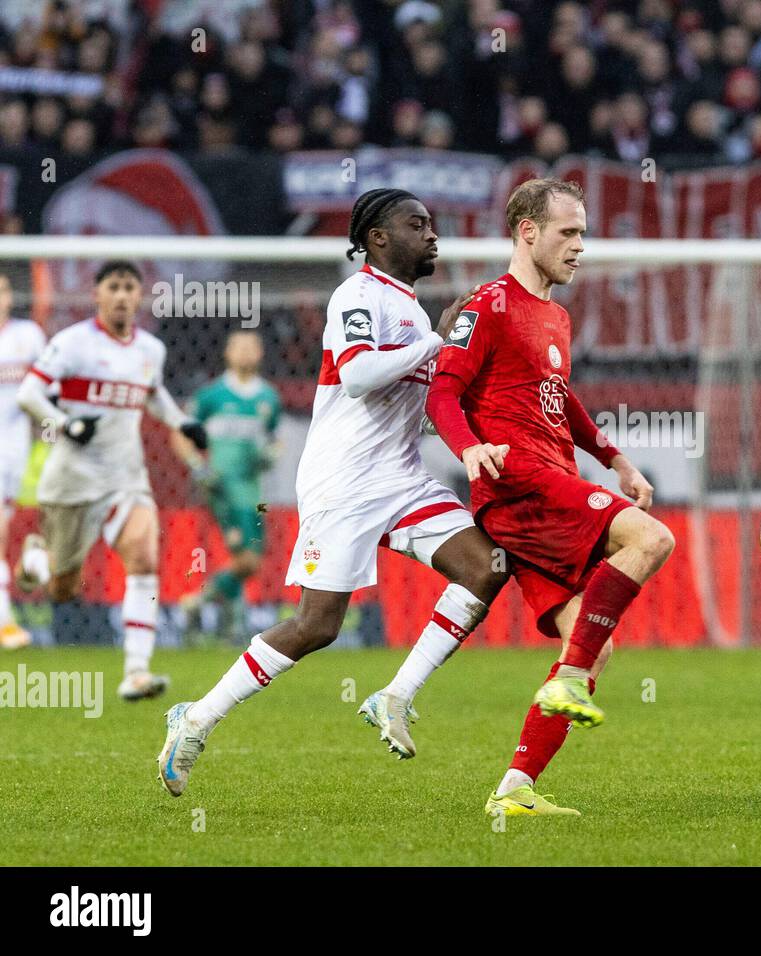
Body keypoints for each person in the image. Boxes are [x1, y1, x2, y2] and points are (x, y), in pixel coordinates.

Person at [157, 188, 511, 797]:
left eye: (431, 225)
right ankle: (194, 718)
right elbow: (355, 375)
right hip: (343, 483)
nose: (432, 235)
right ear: (378, 237)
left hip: (401, 479)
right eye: (416, 224)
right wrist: (436, 344)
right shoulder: (358, 294)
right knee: (317, 625)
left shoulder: (416, 313)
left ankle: (395, 696)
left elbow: (416, 397)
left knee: (487, 567)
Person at [426, 178, 674, 816]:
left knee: (594, 642)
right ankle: (567, 682)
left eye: (583, 233)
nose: (580, 246)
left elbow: (560, 400)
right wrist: (469, 449)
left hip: (552, 476)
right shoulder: (488, 305)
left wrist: (614, 457)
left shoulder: (555, 315)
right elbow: (442, 395)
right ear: (527, 232)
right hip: (520, 482)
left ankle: (514, 790)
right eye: (568, 232)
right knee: (653, 538)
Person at [14, 261, 208, 698]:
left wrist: (182, 422)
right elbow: (29, 393)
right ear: (97, 295)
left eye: (129, 288)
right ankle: (35, 560)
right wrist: (65, 424)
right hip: (71, 480)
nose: (122, 295)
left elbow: (153, 392)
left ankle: (136, 671)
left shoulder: (150, 350)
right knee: (63, 588)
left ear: (139, 296)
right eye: (113, 287)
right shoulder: (72, 343)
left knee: (143, 559)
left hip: (126, 477)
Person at [172, 331, 281, 641]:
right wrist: (198, 466)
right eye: (239, 346)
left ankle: (219, 620)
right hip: (221, 489)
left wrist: (271, 454)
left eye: (251, 346)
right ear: (228, 353)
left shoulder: (268, 399)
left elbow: (273, 442)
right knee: (247, 559)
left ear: (260, 353)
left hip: (255, 493)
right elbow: (180, 433)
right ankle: (211, 611)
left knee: (247, 560)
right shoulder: (212, 396)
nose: (245, 352)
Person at [0, 274, 46, 650]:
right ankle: (4, 620)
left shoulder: (28, 336)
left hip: (18, 450)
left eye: (3, 289)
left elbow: (47, 389)